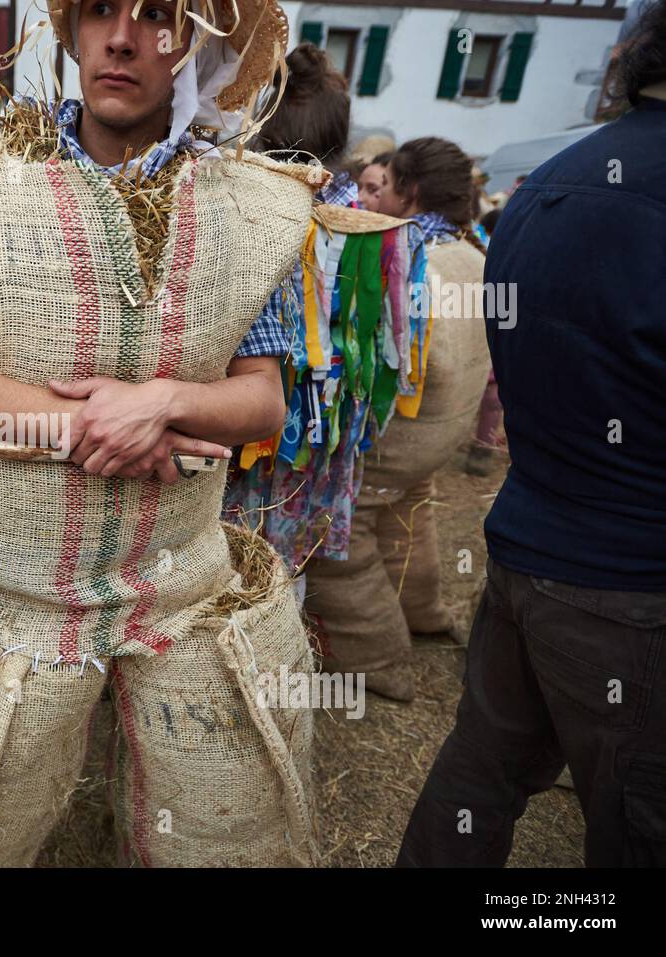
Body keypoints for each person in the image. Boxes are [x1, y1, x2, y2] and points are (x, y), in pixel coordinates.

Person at [0, 0, 327, 866]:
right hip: (3, 589)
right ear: (68, 33)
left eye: (156, 15)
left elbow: (262, 402)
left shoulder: (251, 211)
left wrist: (163, 402)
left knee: (219, 824)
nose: (124, 38)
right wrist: (85, 424)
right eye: (100, 11)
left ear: (192, 43)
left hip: (177, 580)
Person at [399, 2, 666, 868]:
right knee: (637, 821)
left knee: (482, 771)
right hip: (629, 584)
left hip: (530, 544)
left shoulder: (547, 186)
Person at [224, 44, 430, 595]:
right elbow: (396, 349)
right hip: (318, 442)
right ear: (341, 140)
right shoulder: (389, 239)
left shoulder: (236, 213)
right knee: (286, 573)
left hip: (233, 430)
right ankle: (281, 633)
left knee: (220, 563)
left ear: (264, 125)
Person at [304, 136, 491, 701]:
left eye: (386, 186)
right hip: (442, 432)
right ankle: (425, 612)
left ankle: (378, 660)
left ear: (408, 192)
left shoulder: (410, 266)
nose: (376, 197)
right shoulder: (475, 257)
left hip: (398, 437)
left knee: (339, 535)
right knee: (409, 513)